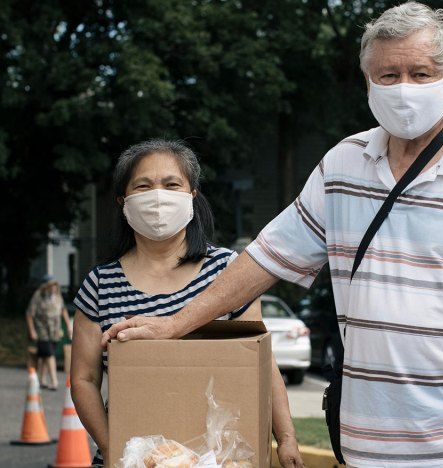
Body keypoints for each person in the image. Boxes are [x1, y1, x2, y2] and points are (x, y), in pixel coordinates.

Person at [103, 3, 443, 467]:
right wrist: (176, 324)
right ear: (368, 81)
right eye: (388, 75)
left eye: (421, 73)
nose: (404, 88)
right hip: (368, 449)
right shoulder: (343, 165)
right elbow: (266, 259)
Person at [70, 140, 304, 467]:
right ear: (123, 200)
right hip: (132, 459)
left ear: (192, 194)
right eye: (143, 185)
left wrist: (288, 439)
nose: (158, 196)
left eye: (171, 184)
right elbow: (84, 379)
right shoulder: (100, 284)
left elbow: (262, 363)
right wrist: (112, 448)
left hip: (221, 457)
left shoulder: (227, 271)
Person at [26, 275, 72, 390]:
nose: (54, 288)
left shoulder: (57, 296)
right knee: (49, 354)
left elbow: (63, 310)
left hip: (55, 330)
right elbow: (30, 314)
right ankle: (54, 381)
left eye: (55, 285)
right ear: (45, 286)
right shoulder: (38, 296)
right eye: (51, 285)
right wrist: (32, 330)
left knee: (44, 355)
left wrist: (68, 325)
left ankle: (41, 380)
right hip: (42, 330)